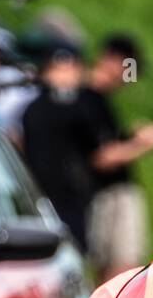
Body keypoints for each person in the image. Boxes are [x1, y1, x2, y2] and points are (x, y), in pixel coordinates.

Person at [80, 35, 153, 279]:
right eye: (131, 67)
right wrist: (144, 143)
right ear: (113, 60)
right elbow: (102, 156)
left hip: (103, 198)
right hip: (110, 198)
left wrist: (130, 135)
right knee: (122, 275)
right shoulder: (88, 100)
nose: (132, 77)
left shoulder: (98, 101)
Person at [21, 41, 101, 251]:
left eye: (70, 69)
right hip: (43, 197)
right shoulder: (36, 109)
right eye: (57, 69)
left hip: (73, 199)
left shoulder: (83, 107)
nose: (64, 76)